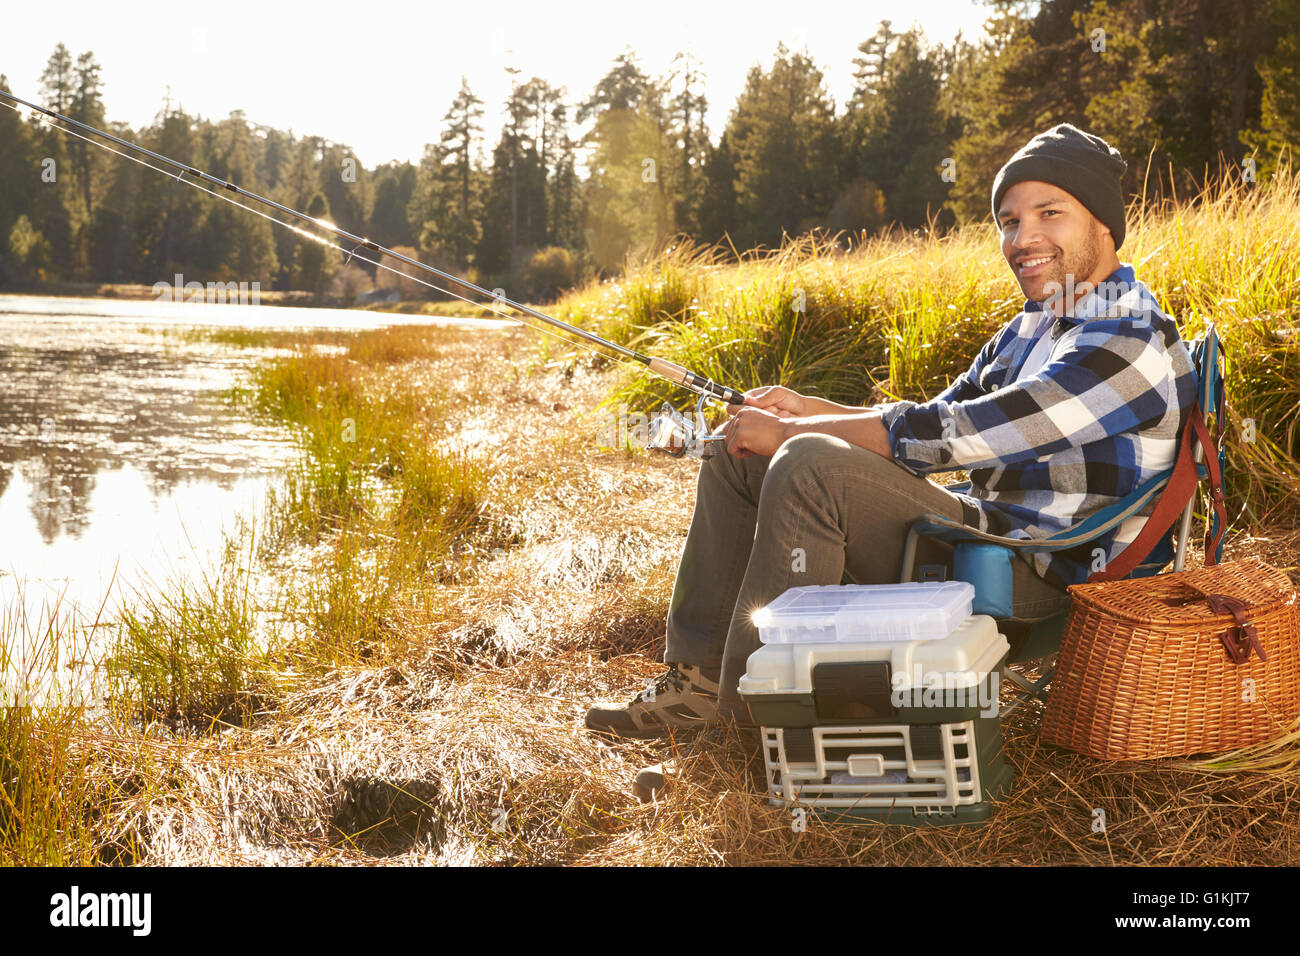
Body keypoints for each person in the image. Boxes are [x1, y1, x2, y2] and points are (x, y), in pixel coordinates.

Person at [584, 123, 1199, 760]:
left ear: (1103, 222)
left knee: (805, 462)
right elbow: (940, 412)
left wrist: (799, 433)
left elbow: (964, 436)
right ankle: (700, 685)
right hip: (987, 535)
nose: (1024, 238)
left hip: (1048, 571)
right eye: (1010, 221)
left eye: (1050, 213)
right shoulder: (1035, 325)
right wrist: (808, 408)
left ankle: (753, 730)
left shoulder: (1126, 335)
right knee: (742, 452)